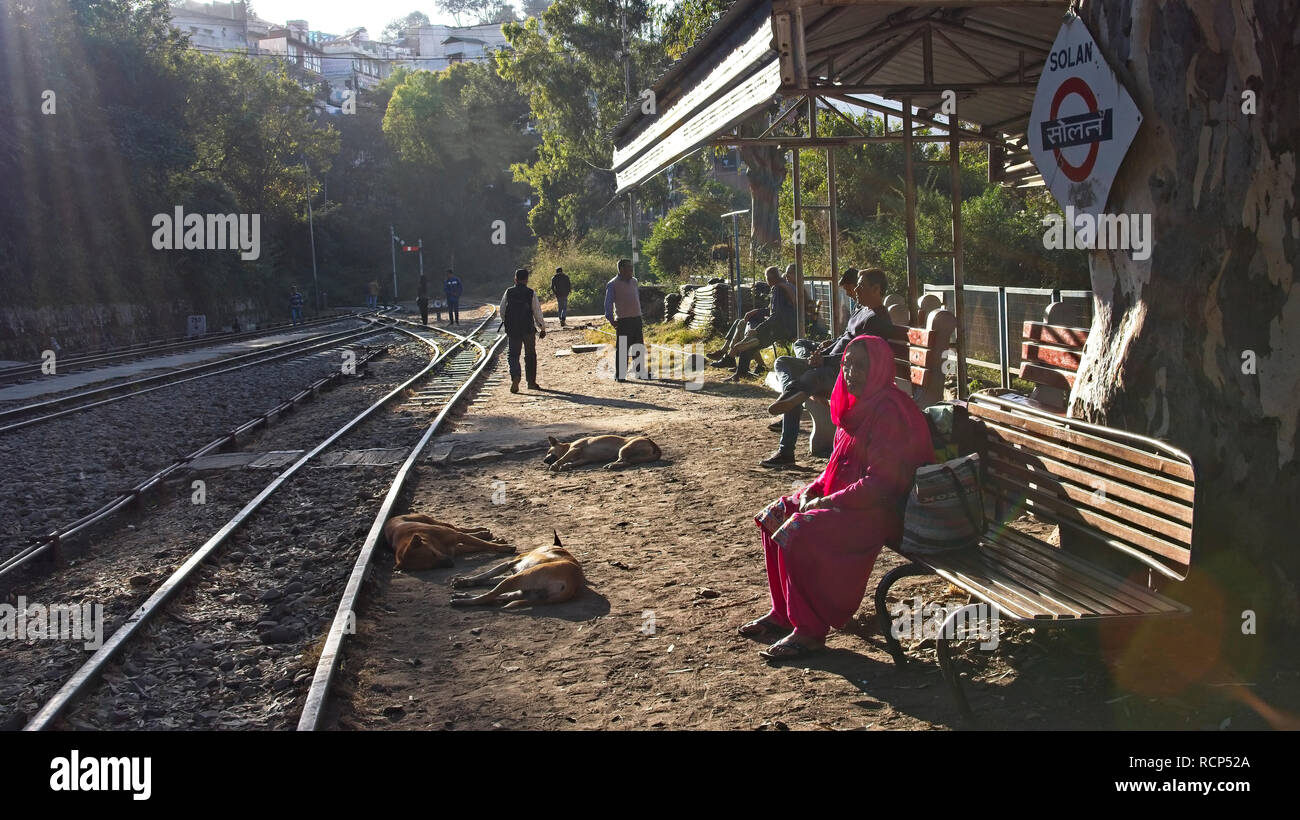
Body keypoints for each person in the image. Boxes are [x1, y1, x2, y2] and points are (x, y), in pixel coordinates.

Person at [740, 335, 934, 659]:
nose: (850, 373)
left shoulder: (889, 411)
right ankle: (783, 613)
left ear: (879, 369)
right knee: (776, 514)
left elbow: (882, 484)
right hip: (848, 499)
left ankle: (809, 631)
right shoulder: (855, 405)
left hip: (878, 512)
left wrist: (826, 502)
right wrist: (814, 490)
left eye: (860, 366)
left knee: (795, 531)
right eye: (846, 364)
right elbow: (837, 464)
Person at [761, 267, 901, 467]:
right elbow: (844, 339)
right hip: (830, 363)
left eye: (861, 286)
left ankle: (786, 449)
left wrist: (824, 360)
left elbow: (859, 358)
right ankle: (792, 393)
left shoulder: (877, 321)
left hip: (844, 374)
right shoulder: (862, 309)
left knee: (806, 380)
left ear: (876, 289)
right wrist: (822, 354)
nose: (856, 290)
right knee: (783, 362)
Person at [499, 268, 546, 392]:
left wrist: (507, 322)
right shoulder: (531, 293)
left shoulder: (509, 292)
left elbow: (502, 310)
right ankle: (531, 383)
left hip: (513, 330)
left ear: (515, 279)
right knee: (530, 355)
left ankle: (515, 376)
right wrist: (542, 328)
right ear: (527, 280)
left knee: (513, 355)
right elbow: (537, 312)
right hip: (528, 329)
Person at [604, 258, 643, 382]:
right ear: (621, 269)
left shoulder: (634, 281)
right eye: (629, 267)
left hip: (637, 319)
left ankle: (640, 372)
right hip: (623, 321)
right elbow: (608, 303)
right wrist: (611, 319)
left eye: (631, 267)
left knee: (638, 347)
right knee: (622, 349)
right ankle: (620, 375)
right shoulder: (613, 284)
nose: (632, 270)